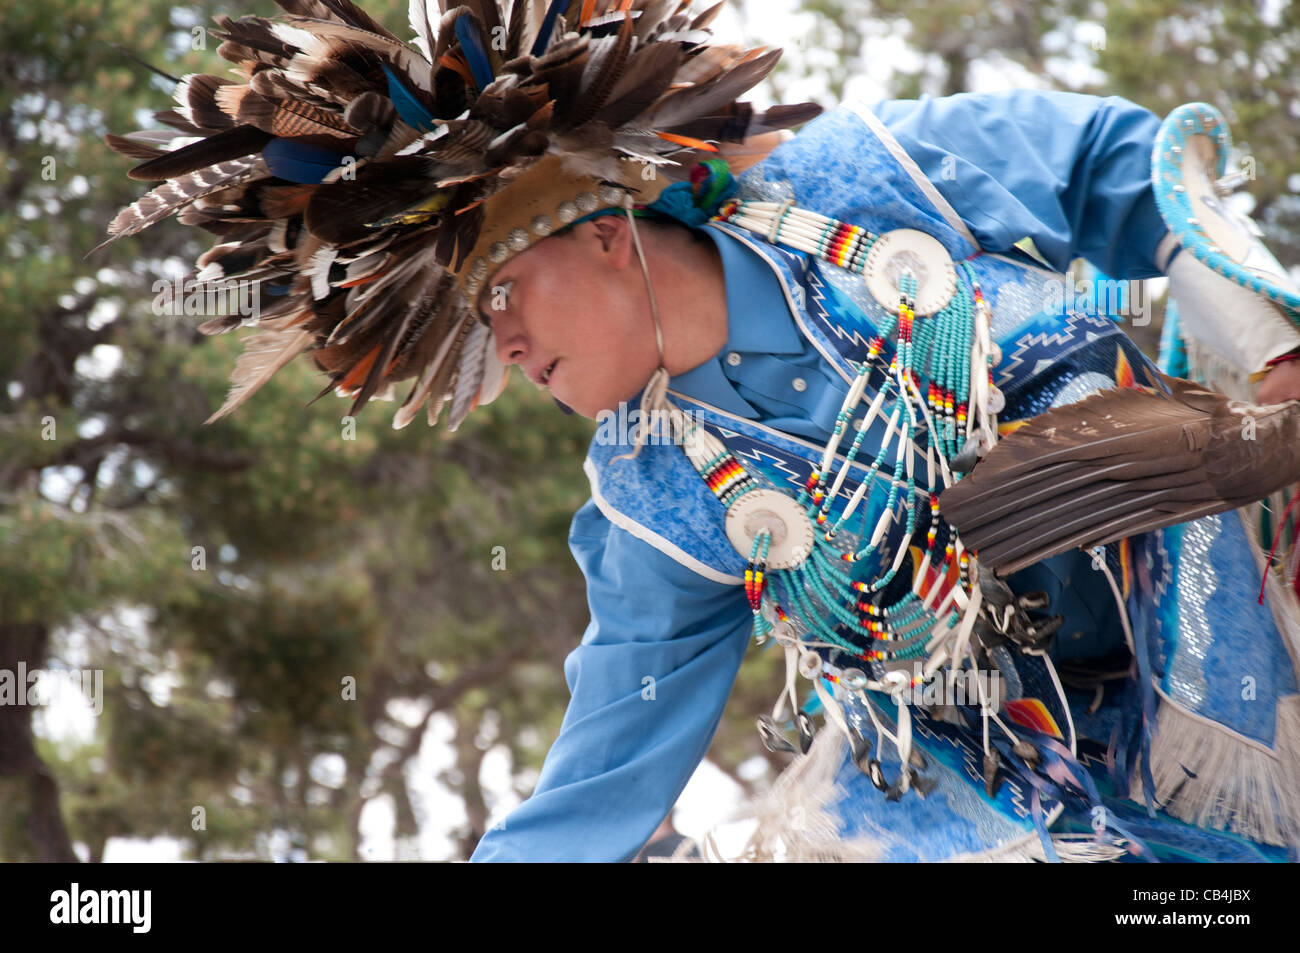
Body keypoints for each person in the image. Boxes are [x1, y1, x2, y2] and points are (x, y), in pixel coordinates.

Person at [99, 0, 1300, 863]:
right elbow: (611, 751)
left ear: (606, 235)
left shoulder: (850, 183)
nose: (501, 346)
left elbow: (1111, 165)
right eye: (476, 324)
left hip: (1228, 584)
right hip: (994, 770)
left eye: (502, 293)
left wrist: (1265, 351)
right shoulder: (655, 490)